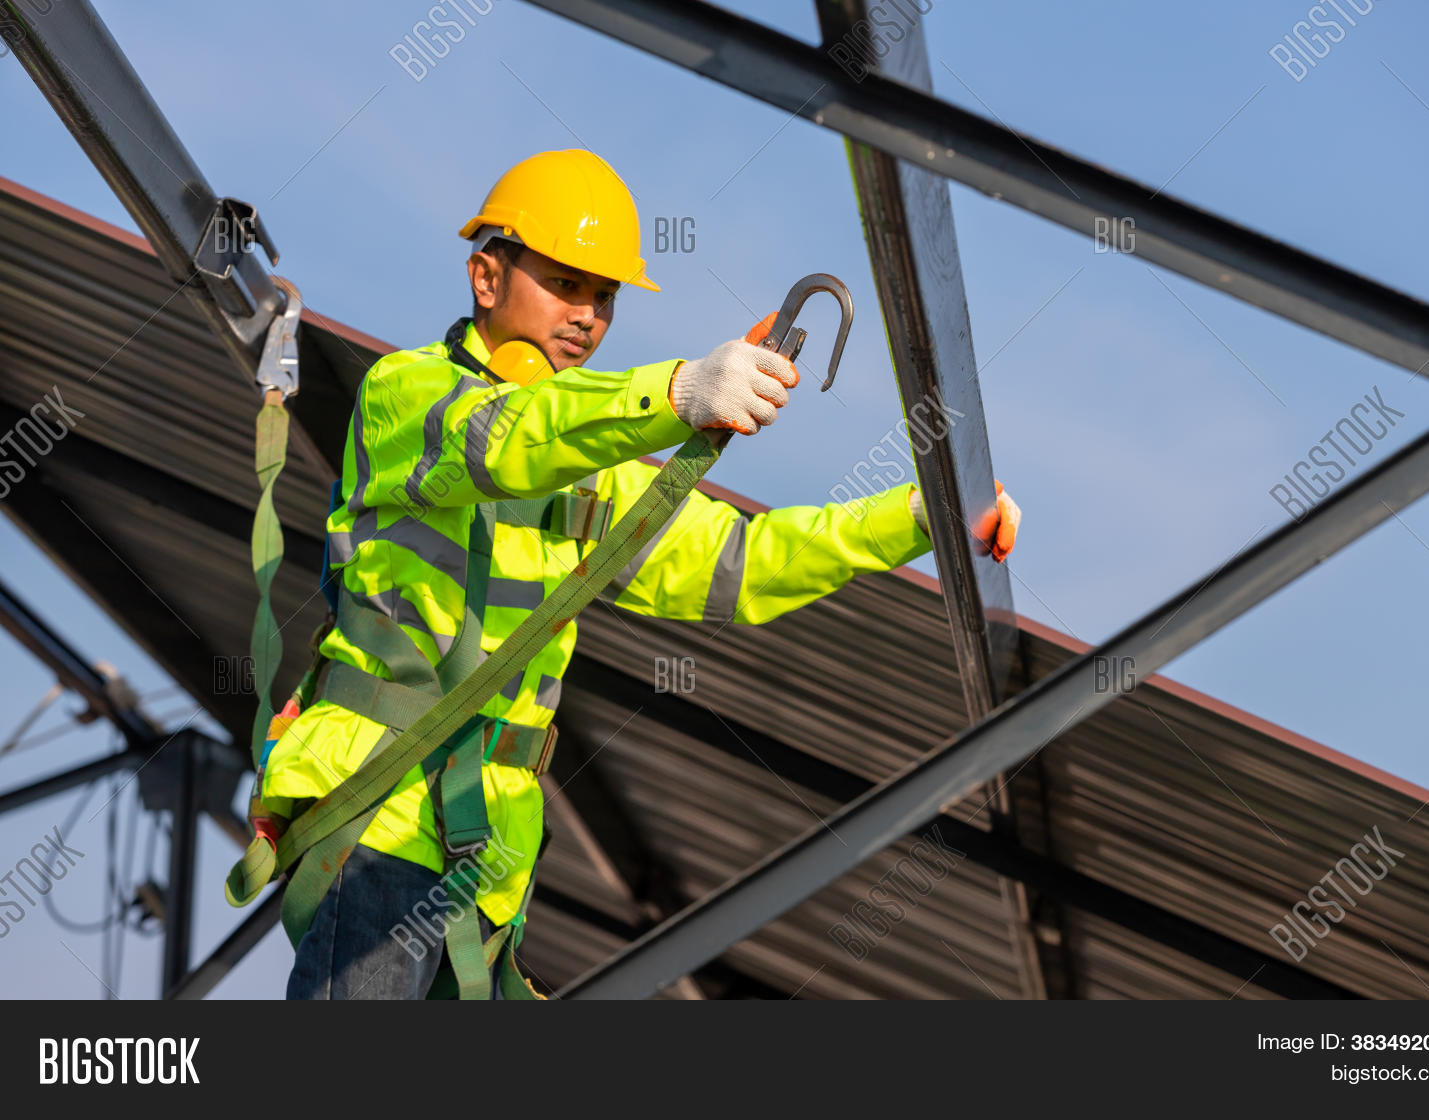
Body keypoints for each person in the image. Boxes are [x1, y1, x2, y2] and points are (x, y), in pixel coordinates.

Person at [261, 148, 1021, 999]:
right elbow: (511, 438)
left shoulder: (597, 472)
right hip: (380, 816)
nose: (587, 314)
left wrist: (920, 520)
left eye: (605, 295)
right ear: (485, 276)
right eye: (566, 282)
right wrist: (676, 392)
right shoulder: (409, 395)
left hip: (485, 855)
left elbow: (741, 562)